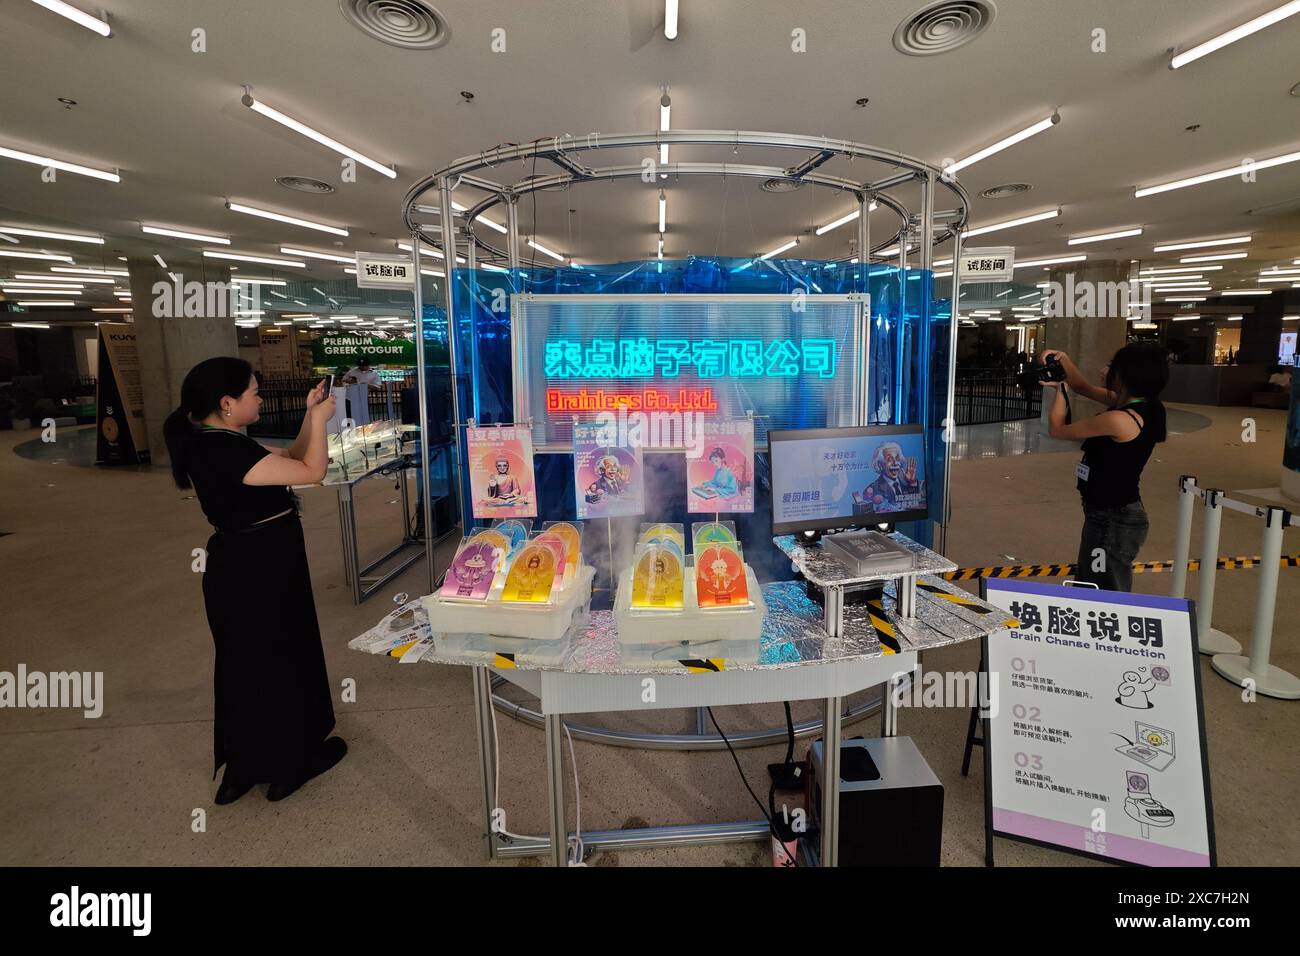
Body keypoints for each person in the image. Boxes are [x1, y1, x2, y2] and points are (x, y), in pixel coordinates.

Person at [163, 357, 346, 805]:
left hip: (239, 563)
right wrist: (324, 421)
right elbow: (312, 472)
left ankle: (243, 767)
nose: (260, 398)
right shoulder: (227, 451)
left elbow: (293, 457)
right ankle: (290, 763)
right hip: (262, 564)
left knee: (242, 661)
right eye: (253, 392)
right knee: (282, 653)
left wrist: (310, 415)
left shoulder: (216, 443)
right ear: (227, 403)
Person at [1039, 345, 1168, 592]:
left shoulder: (1119, 419)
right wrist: (1063, 360)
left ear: (1128, 375)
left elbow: (1058, 429)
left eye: (1112, 366)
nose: (1104, 370)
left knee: (1104, 592)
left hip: (1113, 519)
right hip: (1111, 513)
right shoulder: (1145, 405)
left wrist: (1061, 392)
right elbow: (1083, 387)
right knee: (1094, 584)